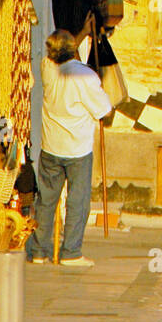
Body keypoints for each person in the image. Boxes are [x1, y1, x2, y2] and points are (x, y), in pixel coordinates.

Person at [26, 25, 113, 268]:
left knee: (45, 200)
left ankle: (39, 251)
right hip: (77, 148)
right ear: (73, 50)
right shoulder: (83, 75)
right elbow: (103, 109)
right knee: (78, 200)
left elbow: (54, 59)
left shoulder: (46, 68)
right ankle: (71, 252)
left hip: (51, 146)